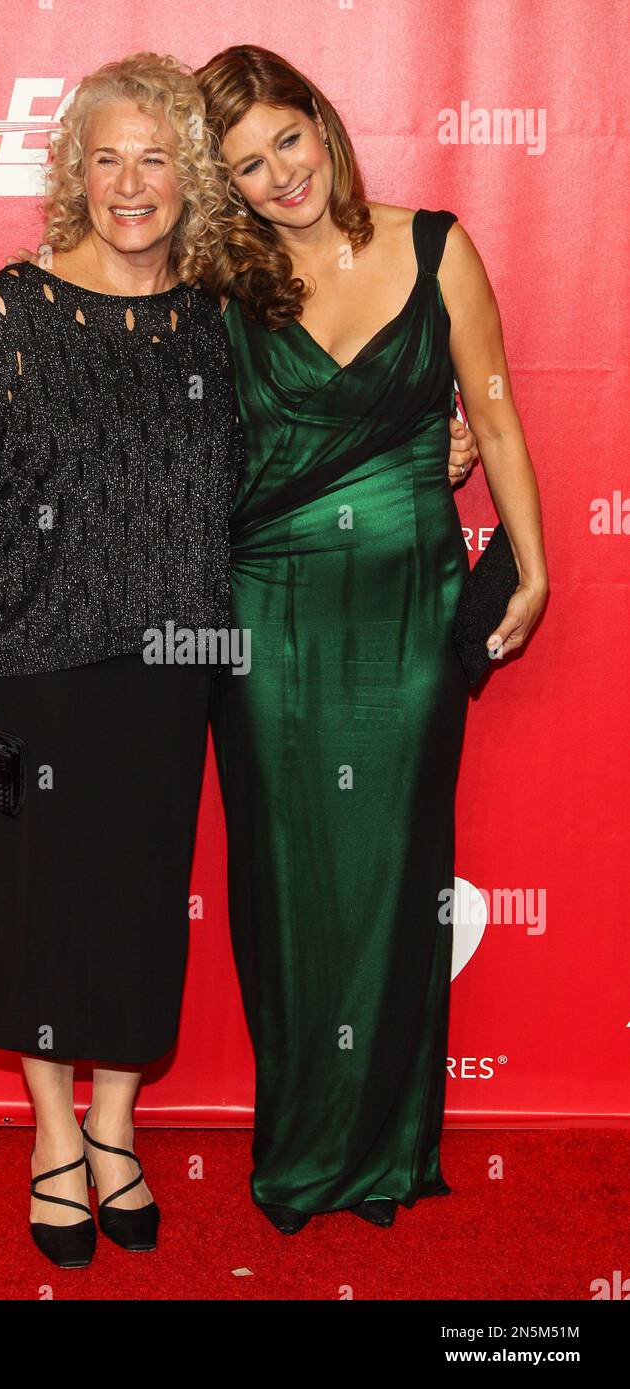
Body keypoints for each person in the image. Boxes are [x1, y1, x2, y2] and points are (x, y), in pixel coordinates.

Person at [194, 45, 548, 1233]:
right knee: (285, 887)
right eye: (244, 165)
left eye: (286, 139)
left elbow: (492, 412)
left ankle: (386, 1151)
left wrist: (535, 560)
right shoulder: (222, 288)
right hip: (267, 617)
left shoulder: (434, 245)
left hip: (405, 608)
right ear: (224, 183)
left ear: (322, 123)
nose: (276, 175)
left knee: (397, 875)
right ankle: (301, 1148)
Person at [0, 53, 245, 1268]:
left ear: (188, 176)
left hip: (171, 664)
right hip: (28, 664)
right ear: (73, 173)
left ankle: (115, 1126)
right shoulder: (11, 308)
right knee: (38, 911)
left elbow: (292, 456)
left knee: (138, 907)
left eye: (154, 156)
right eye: (105, 156)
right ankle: (51, 1133)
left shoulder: (213, 319)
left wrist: (438, 442)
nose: (129, 181)